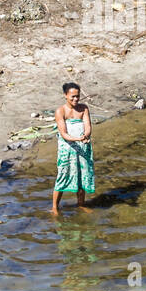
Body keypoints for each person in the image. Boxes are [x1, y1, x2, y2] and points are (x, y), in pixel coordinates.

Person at [52, 82, 94, 214]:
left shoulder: (84, 109)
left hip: (83, 147)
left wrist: (85, 135)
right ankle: (54, 207)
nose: (75, 99)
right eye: (72, 97)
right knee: (63, 175)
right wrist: (78, 139)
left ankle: (81, 204)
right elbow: (64, 134)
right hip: (67, 148)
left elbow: (88, 127)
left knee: (82, 175)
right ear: (65, 95)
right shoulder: (61, 111)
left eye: (77, 96)